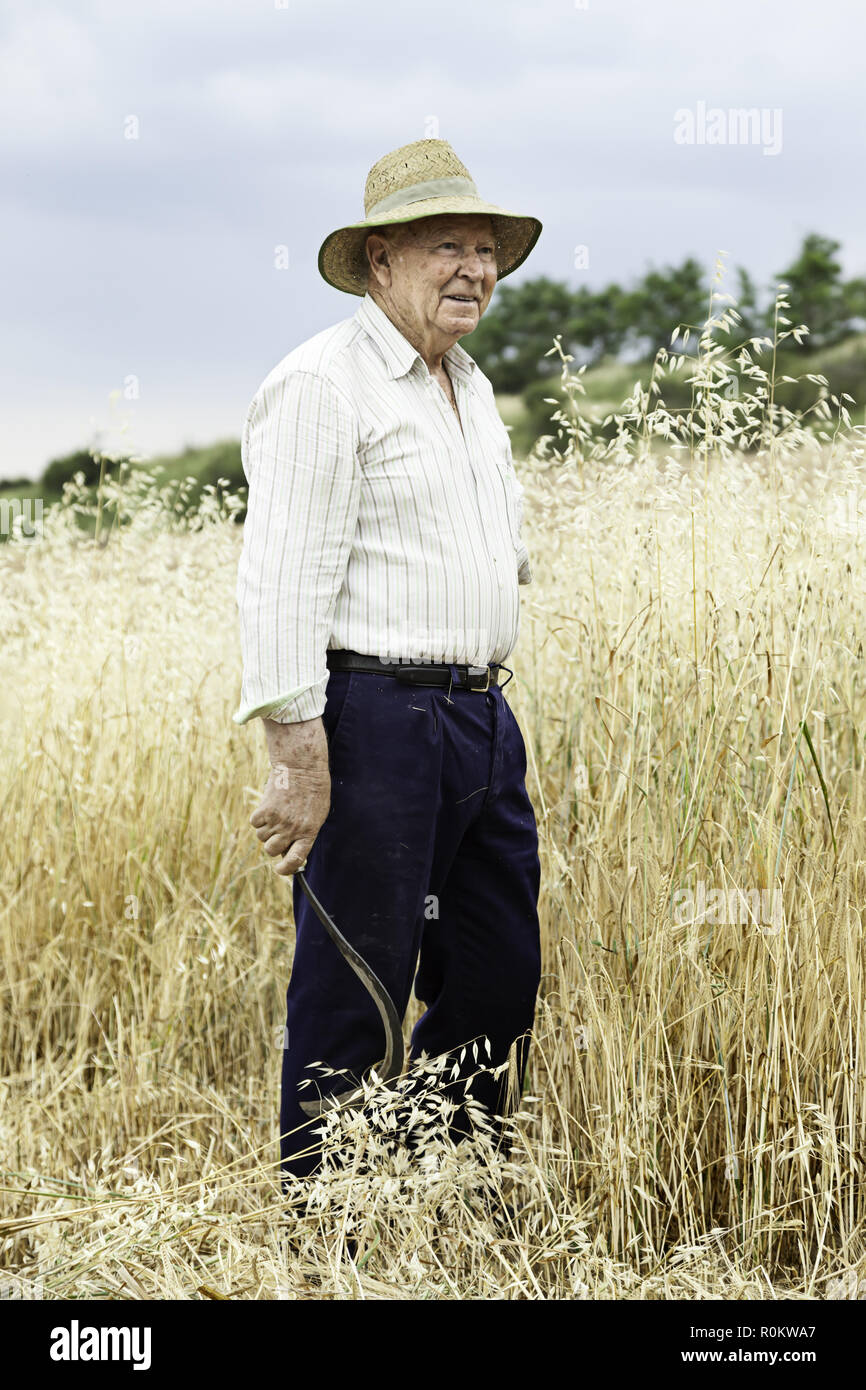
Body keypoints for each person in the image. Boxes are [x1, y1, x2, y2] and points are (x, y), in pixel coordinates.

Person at [233, 137, 543, 1180]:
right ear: (378, 261)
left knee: (498, 973)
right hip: (372, 722)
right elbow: (279, 576)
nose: (473, 269)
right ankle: (330, 1237)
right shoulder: (322, 383)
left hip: (480, 719)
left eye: (485, 248)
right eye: (444, 246)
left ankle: (442, 1191)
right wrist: (296, 750)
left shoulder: (467, 383)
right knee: (355, 983)